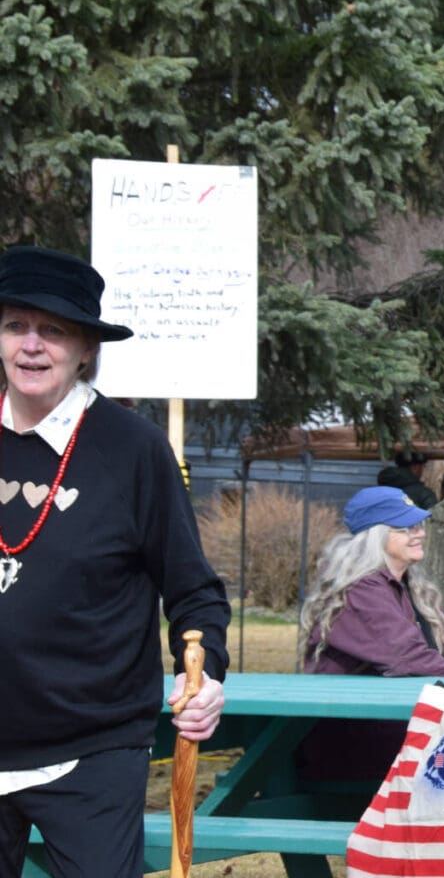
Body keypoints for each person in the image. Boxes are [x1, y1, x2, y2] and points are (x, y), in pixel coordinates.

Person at [0, 246, 230, 876]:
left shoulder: (132, 448)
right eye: (17, 325)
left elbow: (194, 591)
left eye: (54, 330)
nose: (32, 346)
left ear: (85, 351)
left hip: (91, 750)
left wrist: (206, 674)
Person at [297, 486, 444, 781]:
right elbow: (409, 660)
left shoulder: (415, 588)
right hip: (352, 743)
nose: (419, 533)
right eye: (405, 527)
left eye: (419, 525)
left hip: (402, 728)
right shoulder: (359, 591)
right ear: (376, 536)